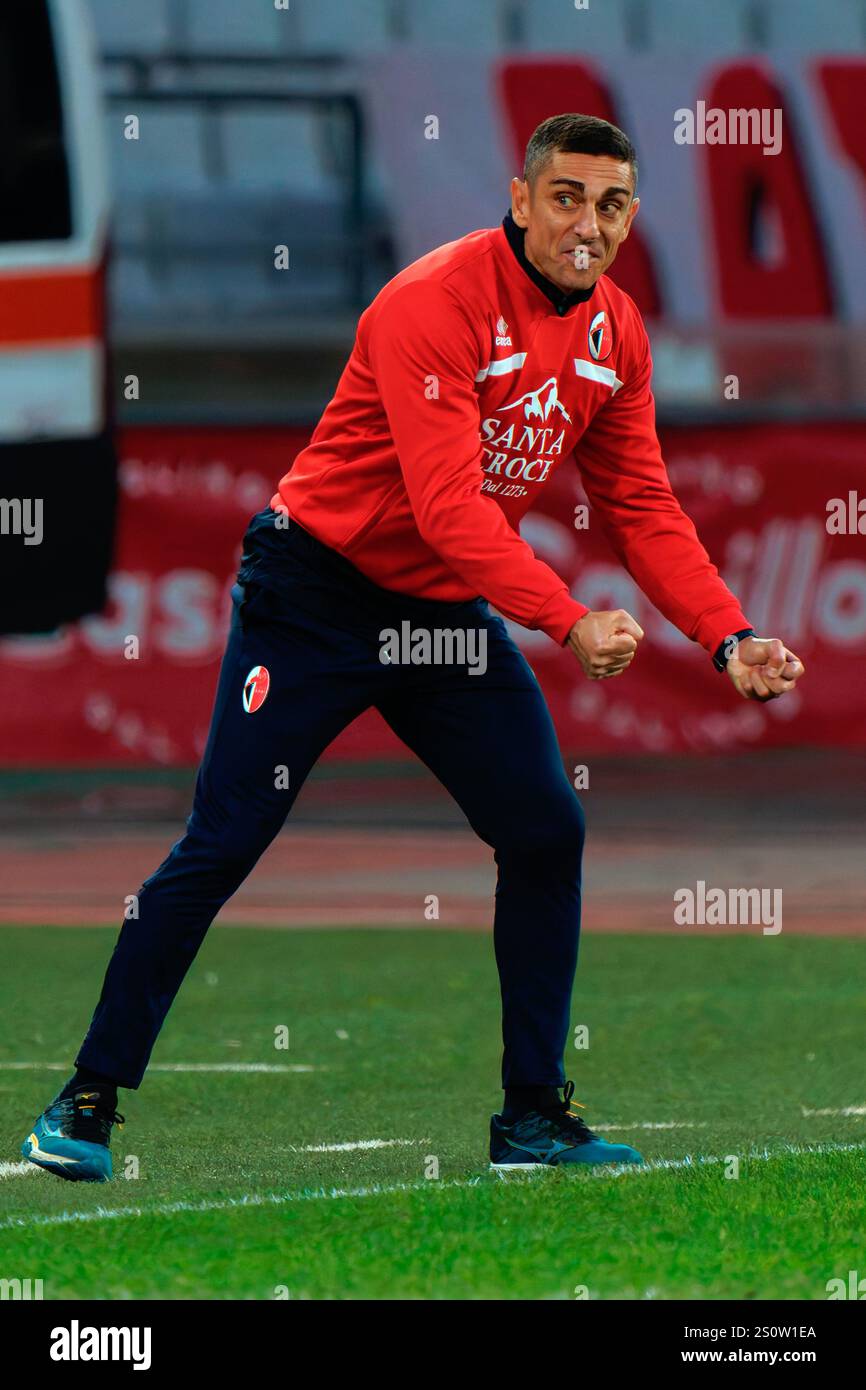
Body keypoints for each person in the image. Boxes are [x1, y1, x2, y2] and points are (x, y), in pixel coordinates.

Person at [22, 113, 804, 1181]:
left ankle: (531, 1116)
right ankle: (87, 1100)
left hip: (438, 618)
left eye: (610, 204)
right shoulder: (432, 300)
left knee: (542, 829)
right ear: (521, 199)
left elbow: (639, 503)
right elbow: (447, 509)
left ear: (630, 220)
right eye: (565, 197)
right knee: (224, 840)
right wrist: (564, 619)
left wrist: (729, 635)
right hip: (314, 596)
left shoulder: (613, 331)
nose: (586, 223)